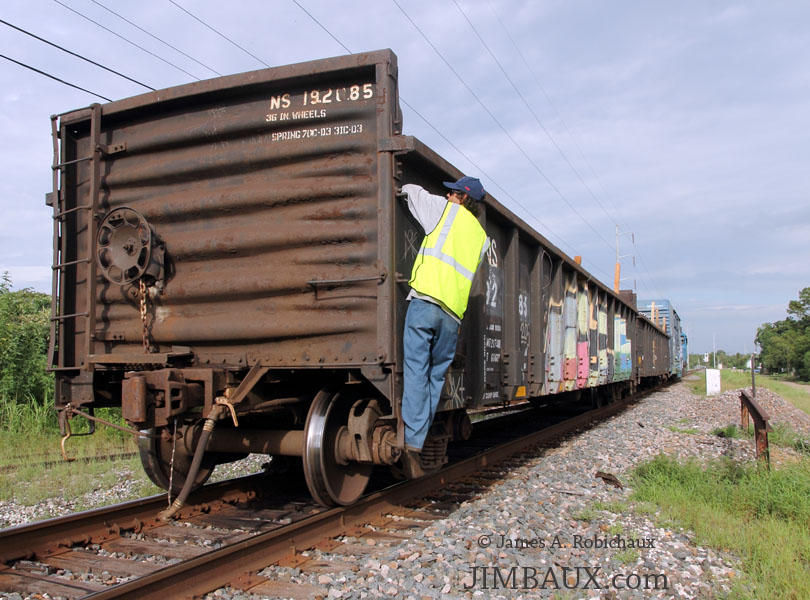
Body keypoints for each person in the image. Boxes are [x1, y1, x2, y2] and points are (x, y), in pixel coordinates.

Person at [400, 176, 490, 463]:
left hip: (425, 302)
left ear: (462, 198)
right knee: (435, 376)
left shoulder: (443, 210)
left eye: (452, 192)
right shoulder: (481, 239)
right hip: (451, 316)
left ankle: (414, 438)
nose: (447, 194)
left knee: (416, 368)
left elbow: (411, 190)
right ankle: (419, 435)